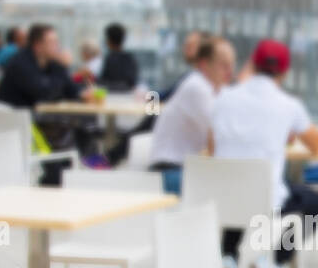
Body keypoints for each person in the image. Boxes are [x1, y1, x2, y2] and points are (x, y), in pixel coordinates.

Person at [210, 39, 318, 268]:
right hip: (265, 203)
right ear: (284, 72)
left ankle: (228, 258)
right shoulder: (288, 105)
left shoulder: (223, 99)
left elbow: (210, 147)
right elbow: (317, 145)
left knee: (238, 185)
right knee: (317, 204)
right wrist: (286, 130)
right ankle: (274, 262)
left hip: (222, 198)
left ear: (252, 63)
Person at [148, 37, 234, 193]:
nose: (230, 70)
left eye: (231, 64)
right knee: (232, 191)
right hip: (169, 172)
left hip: (179, 169)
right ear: (204, 64)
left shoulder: (211, 89)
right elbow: (219, 137)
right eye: (223, 64)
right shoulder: (197, 87)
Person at [0, 23, 88, 108]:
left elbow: (69, 89)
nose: (57, 46)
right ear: (38, 46)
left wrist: (84, 93)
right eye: (52, 43)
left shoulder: (51, 62)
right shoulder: (20, 63)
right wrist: (62, 66)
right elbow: (44, 94)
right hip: (15, 120)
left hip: (38, 117)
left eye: (57, 42)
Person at [156, 29, 210, 102]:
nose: (184, 49)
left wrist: (148, 96)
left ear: (203, 49)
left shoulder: (196, 79)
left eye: (190, 46)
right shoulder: (194, 75)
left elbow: (168, 95)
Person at [97, 22, 138, 92]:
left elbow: (102, 82)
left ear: (109, 40)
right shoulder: (130, 58)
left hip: (111, 96)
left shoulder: (109, 58)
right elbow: (132, 82)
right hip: (128, 96)